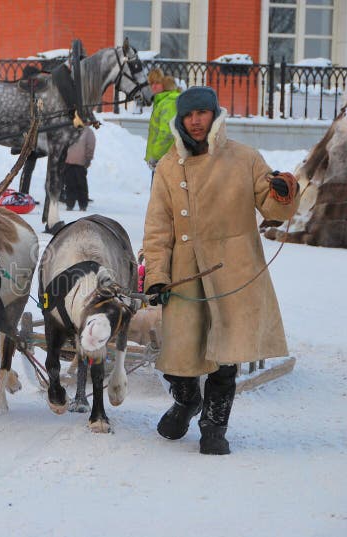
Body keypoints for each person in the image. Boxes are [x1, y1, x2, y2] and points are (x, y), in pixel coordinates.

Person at [142, 86, 299, 455]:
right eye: (189, 115)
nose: (196, 121)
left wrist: (282, 191)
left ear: (215, 115)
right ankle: (185, 400)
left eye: (202, 113)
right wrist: (157, 275)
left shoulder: (244, 158)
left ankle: (214, 426)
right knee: (178, 359)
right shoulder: (167, 167)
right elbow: (157, 229)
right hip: (185, 274)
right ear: (180, 120)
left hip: (234, 271)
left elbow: (274, 210)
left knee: (224, 360)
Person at [144, 68, 180, 175]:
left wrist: (156, 157)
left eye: (157, 83)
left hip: (165, 160)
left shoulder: (168, 103)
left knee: (159, 192)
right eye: (151, 83)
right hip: (163, 160)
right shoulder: (161, 102)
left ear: (164, 84)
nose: (153, 86)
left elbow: (167, 133)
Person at [62, 126, 95, 211]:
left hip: (76, 162)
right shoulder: (86, 131)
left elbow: (90, 146)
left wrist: (88, 158)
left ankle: (74, 204)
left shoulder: (87, 131)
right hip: (71, 162)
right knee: (74, 184)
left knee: (75, 184)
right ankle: (78, 205)